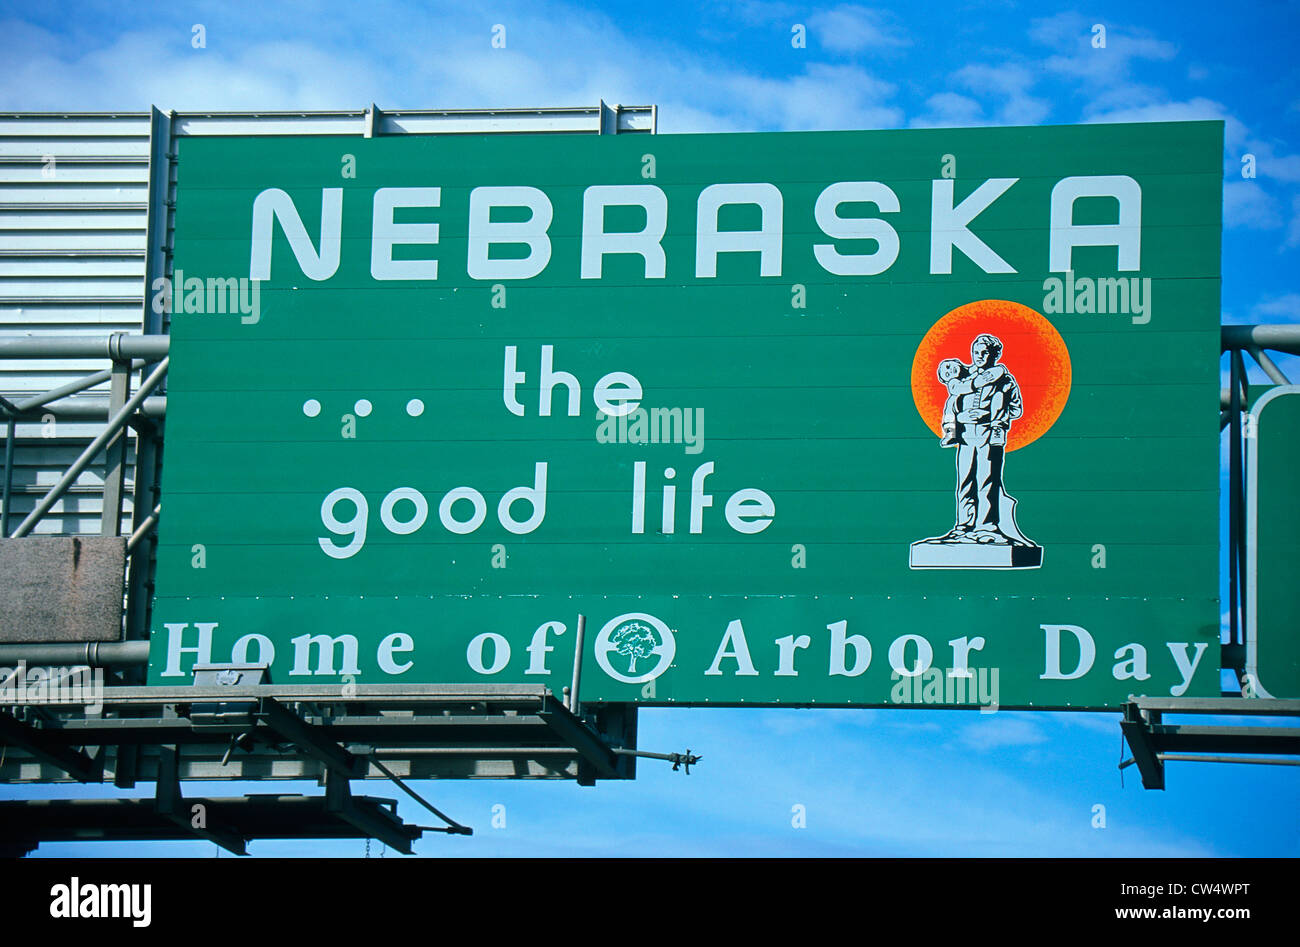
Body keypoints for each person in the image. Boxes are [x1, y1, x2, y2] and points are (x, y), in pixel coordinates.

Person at [945, 334, 1023, 544]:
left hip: (990, 436)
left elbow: (1016, 410)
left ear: (995, 355)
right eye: (976, 352)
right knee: (965, 482)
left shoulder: (1005, 380)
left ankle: (986, 527)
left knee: (987, 481)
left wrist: (991, 416)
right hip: (966, 437)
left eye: (984, 352)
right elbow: (951, 408)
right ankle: (963, 526)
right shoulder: (963, 378)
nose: (979, 357)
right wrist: (963, 417)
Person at [937, 358, 1007, 448]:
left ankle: (997, 428)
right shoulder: (953, 383)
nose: (950, 370)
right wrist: (976, 383)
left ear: (956, 361)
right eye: (947, 374)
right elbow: (959, 388)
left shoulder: (973, 369)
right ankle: (951, 433)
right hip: (961, 407)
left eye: (948, 366)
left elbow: (995, 370)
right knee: (950, 405)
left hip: (984, 411)